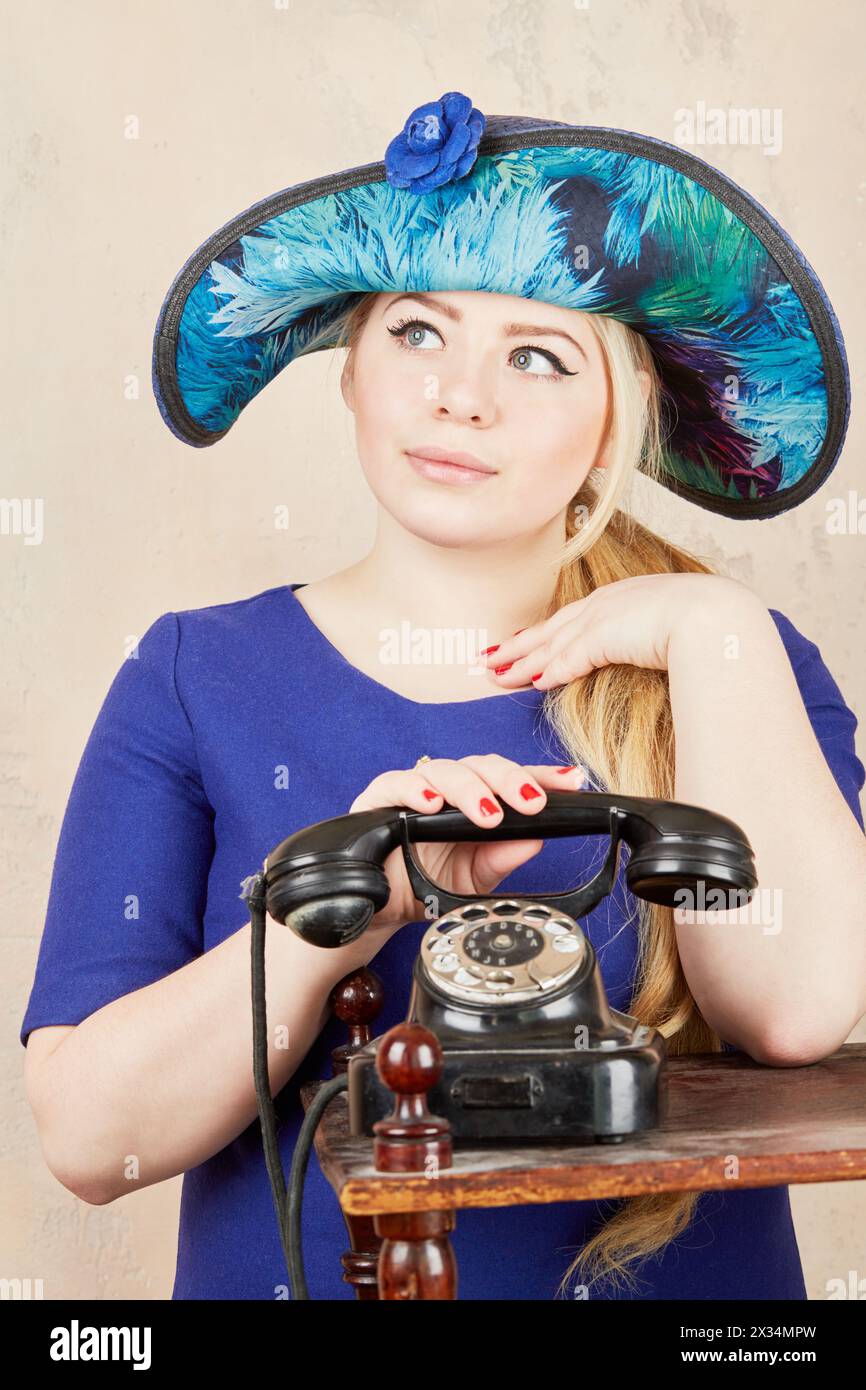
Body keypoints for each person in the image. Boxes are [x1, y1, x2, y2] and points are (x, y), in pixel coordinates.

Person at [21, 93, 866, 1301]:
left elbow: (791, 1017)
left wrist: (712, 632)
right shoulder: (190, 674)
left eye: (536, 355)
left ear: (612, 419)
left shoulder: (740, 660)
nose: (459, 396)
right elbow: (91, 1144)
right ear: (349, 369)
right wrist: (337, 925)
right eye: (417, 333)